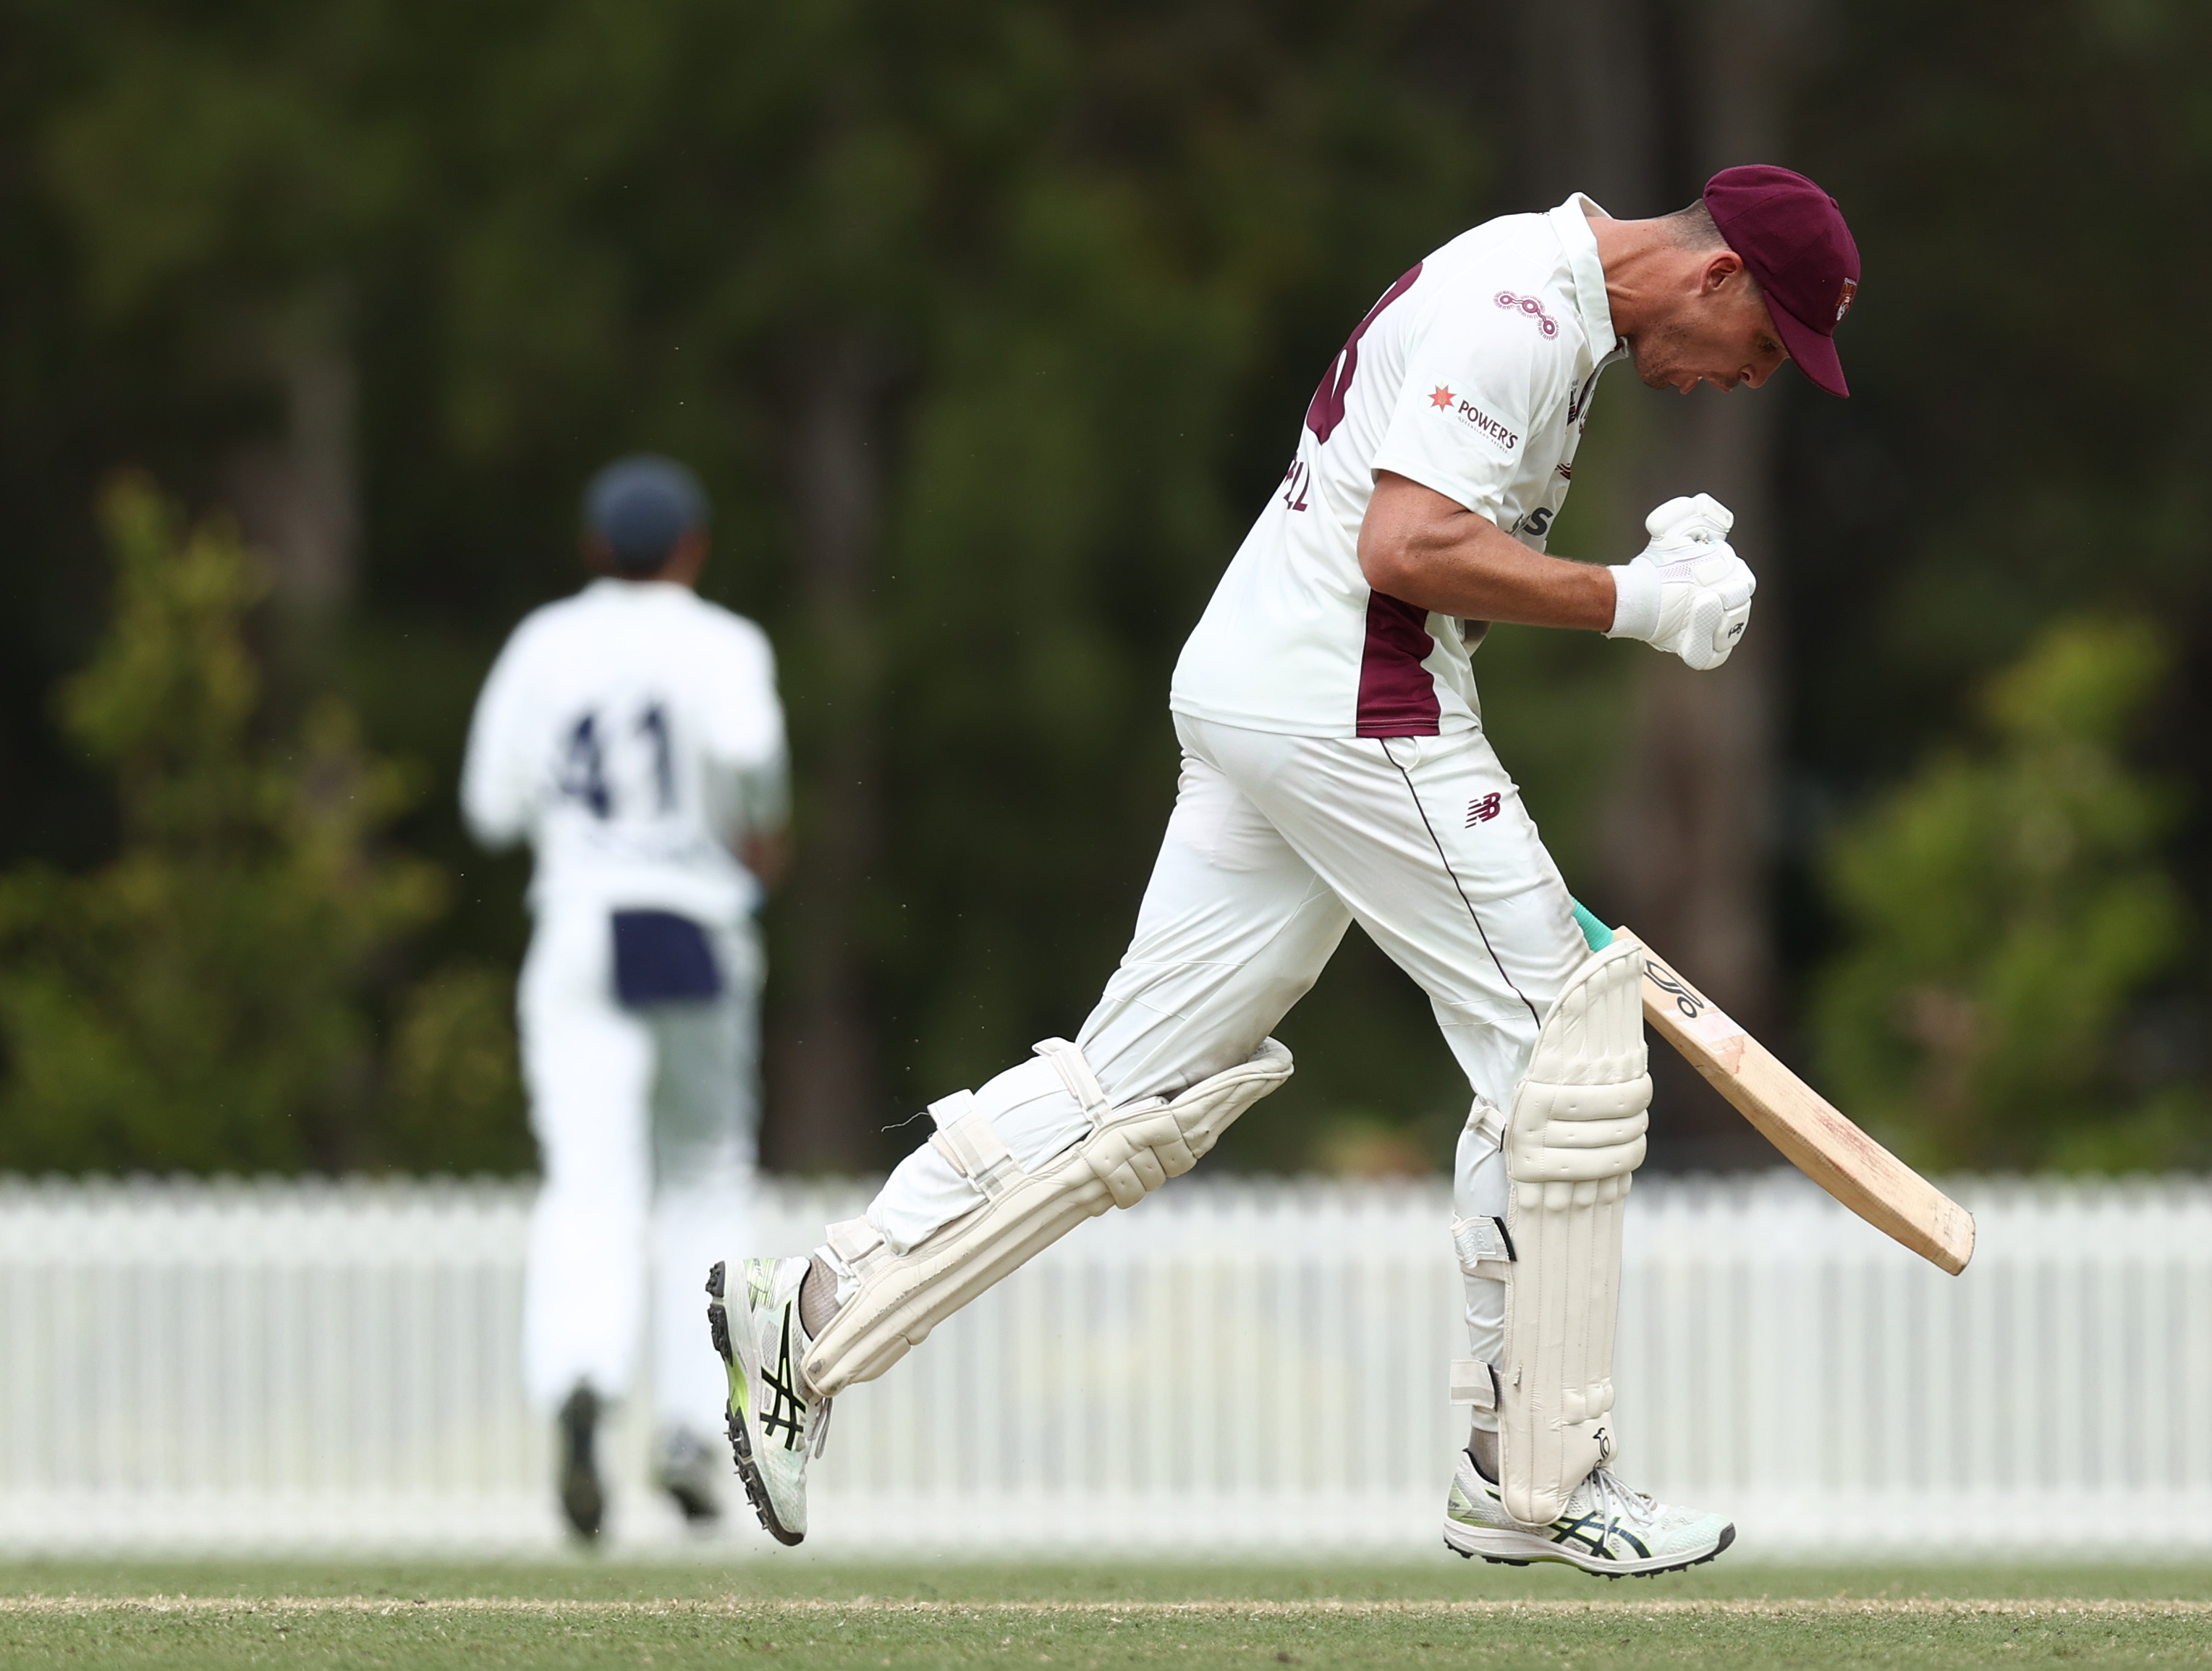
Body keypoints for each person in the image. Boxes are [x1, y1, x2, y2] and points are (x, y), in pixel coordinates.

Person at [709, 166, 1857, 1573]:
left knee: (1136, 1085)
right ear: (1719, 274)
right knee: (1566, 1049)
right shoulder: (1523, 314)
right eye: (1760, 352)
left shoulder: (1532, 285)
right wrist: (1637, 603)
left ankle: (813, 1314)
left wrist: (1646, 572)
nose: (1739, 384)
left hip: (1269, 691)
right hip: (1355, 712)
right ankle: (1537, 1478)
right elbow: (1408, 544)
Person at [463, 456, 790, 1540]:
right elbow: (752, 763)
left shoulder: (544, 643)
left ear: (596, 547)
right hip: (693, 922)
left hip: (582, 920)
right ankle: (696, 1426)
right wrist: (757, 836)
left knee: (588, 1177)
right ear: (692, 544)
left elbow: (491, 805)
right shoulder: (726, 644)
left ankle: (582, 1379)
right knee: (704, 1171)